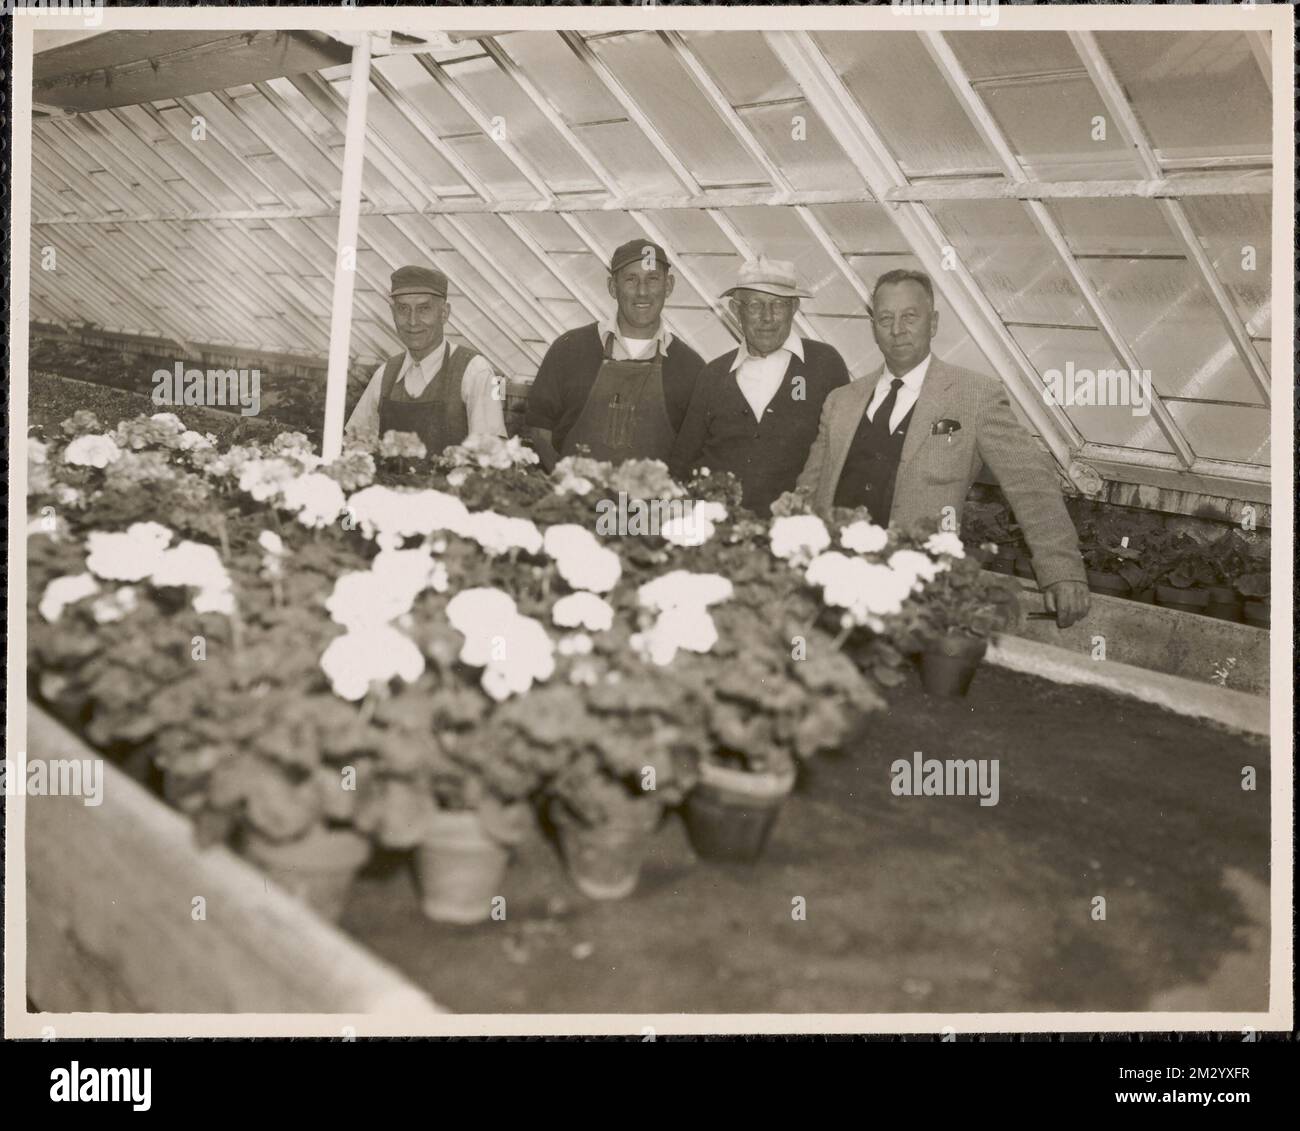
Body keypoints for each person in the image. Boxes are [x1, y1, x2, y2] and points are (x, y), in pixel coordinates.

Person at [794, 268, 1090, 628]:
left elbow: (1030, 481)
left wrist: (1061, 572)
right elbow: (807, 489)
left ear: (933, 323)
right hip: (830, 584)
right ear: (873, 326)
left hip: (916, 593)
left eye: (910, 317)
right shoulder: (841, 401)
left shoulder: (975, 396)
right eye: (885, 318)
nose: (897, 329)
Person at [670, 257, 850, 514]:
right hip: (720, 530)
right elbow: (682, 460)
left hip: (793, 531)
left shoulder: (823, 365)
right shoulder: (714, 374)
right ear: (736, 309)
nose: (767, 317)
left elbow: (843, 453)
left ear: (794, 307)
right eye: (755, 305)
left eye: (778, 305)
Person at [526, 240, 705, 470]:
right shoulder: (569, 350)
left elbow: (693, 453)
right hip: (572, 502)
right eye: (631, 279)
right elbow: (540, 428)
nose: (642, 292)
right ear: (613, 287)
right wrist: (565, 485)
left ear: (668, 285)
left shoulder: (691, 368)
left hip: (652, 505)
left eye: (652, 279)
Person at [345, 265, 505, 453]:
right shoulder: (386, 374)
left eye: (424, 309)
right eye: (403, 309)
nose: (412, 321)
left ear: (444, 313)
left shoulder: (477, 371)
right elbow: (355, 442)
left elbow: (492, 454)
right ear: (392, 313)